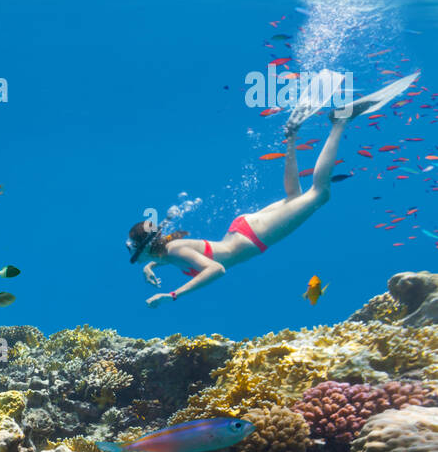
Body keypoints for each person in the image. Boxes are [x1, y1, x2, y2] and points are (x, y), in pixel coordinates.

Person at [127, 70, 418, 306]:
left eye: (132, 247)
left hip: (253, 237)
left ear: (145, 246)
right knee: (296, 196)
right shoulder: (168, 253)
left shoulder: (174, 251)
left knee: (320, 193)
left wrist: (173, 295)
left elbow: (216, 269)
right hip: (242, 230)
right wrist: (150, 267)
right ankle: (291, 137)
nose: (129, 250)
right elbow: (177, 258)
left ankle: (340, 122)